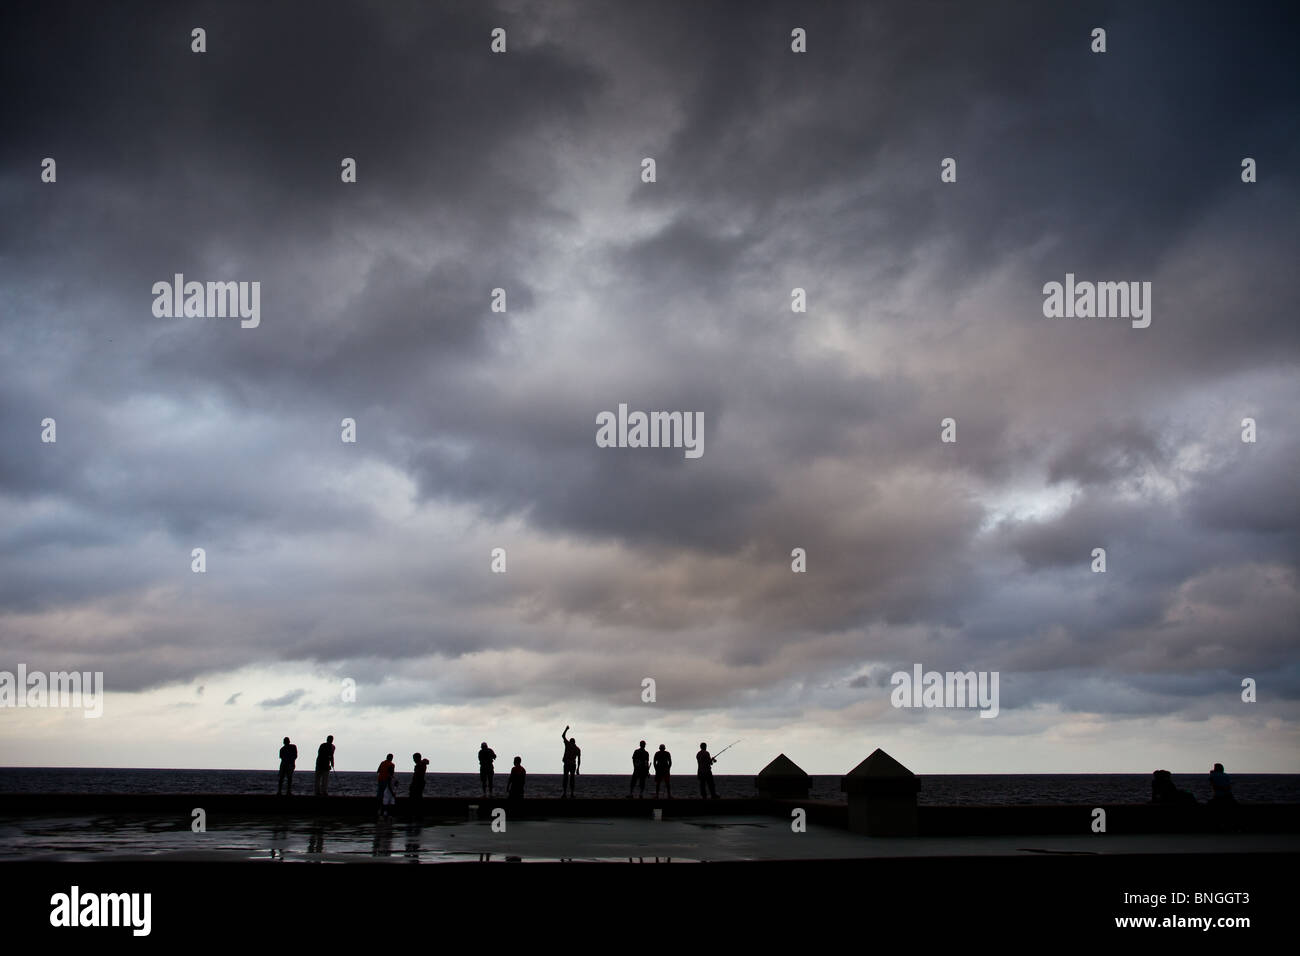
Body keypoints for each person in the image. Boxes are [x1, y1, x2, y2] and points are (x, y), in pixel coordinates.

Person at [561, 725, 581, 798]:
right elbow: (579, 760)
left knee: (566, 779)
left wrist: (566, 729)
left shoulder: (568, 745)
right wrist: (578, 768)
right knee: (571, 779)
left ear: (570, 741)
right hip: (572, 765)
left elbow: (563, 736)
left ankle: (565, 793)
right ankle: (571, 793)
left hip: (567, 764)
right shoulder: (577, 749)